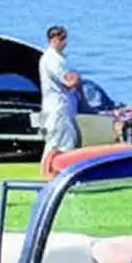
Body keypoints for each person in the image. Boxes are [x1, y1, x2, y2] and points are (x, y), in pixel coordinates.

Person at [38, 25, 81, 178]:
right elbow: (69, 81)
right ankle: (60, 176)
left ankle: (54, 175)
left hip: (57, 107)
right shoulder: (53, 59)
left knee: (57, 142)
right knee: (61, 144)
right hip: (58, 109)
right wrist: (76, 77)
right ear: (55, 39)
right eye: (63, 39)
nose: (65, 43)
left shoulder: (54, 58)